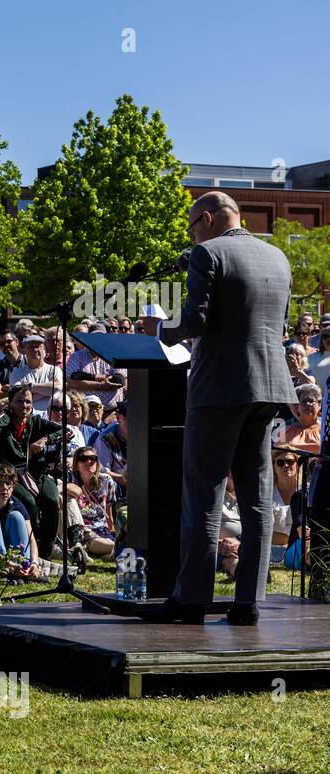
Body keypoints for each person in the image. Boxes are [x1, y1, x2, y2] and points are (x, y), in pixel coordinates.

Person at [140, 192, 299, 624]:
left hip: (219, 390)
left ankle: (191, 600)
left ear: (207, 219)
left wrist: (160, 328)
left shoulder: (207, 253)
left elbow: (193, 321)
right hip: (268, 388)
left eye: (192, 228)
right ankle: (248, 603)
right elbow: (276, 325)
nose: (192, 237)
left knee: (204, 497)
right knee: (256, 500)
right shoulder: (278, 258)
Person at [0, 385, 63, 560]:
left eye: (28, 401)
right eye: (19, 401)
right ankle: (31, 545)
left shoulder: (37, 422)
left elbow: (66, 431)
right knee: (29, 502)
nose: (25, 405)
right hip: (12, 475)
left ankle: (47, 549)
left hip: (37, 473)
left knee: (51, 500)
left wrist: (45, 439)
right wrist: (6, 415)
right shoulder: (3, 421)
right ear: (10, 403)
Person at [68, 446, 117, 558]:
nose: (89, 462)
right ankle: (120, 549)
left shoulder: (106, 481)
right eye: (83, 459)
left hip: (103, 530)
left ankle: (113, 551)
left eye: (92, 458)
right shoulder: (71, 481)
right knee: (93, 541)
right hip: (84, 531)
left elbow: (108, 513)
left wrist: (112, 531)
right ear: (76, 464)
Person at [8, 334, 62, 413]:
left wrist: (30, 387)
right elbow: (17, 396)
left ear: (44, 351)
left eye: (38, 346)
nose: (35, 350)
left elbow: (57, 389)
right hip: (27, 416)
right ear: (24, 351)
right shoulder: (17, 372)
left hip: (50, 416)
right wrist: (46, 391)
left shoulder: (54, 370)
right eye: (31, 347)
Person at [275, 383, 322, 454]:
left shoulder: (325, 429)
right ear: (297, 406)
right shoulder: (283, 431)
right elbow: (276, 454)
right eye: (303, 401)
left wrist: (291, 447)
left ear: (319, 405)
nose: (307, 404)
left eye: (311, 401)